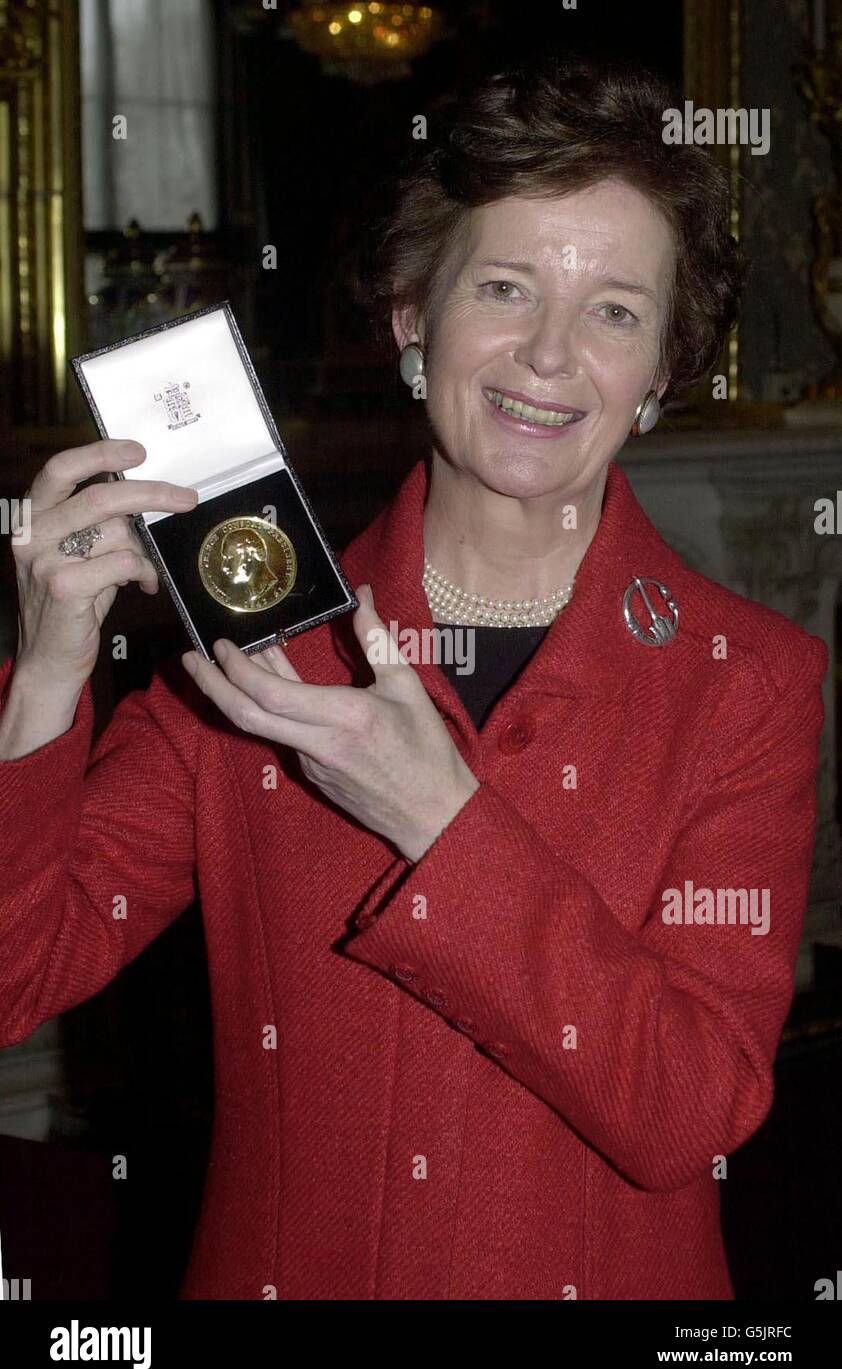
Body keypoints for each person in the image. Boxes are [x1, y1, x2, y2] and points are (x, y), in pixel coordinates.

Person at [0, 55, 827, 1300]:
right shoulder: (252, 651)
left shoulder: (745, 685)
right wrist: (47, 681)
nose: (548, 354)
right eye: (503, 287)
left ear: (659, 372)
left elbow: (690, 1109)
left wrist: (441, 823)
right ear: (408, 318)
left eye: (613, 309)